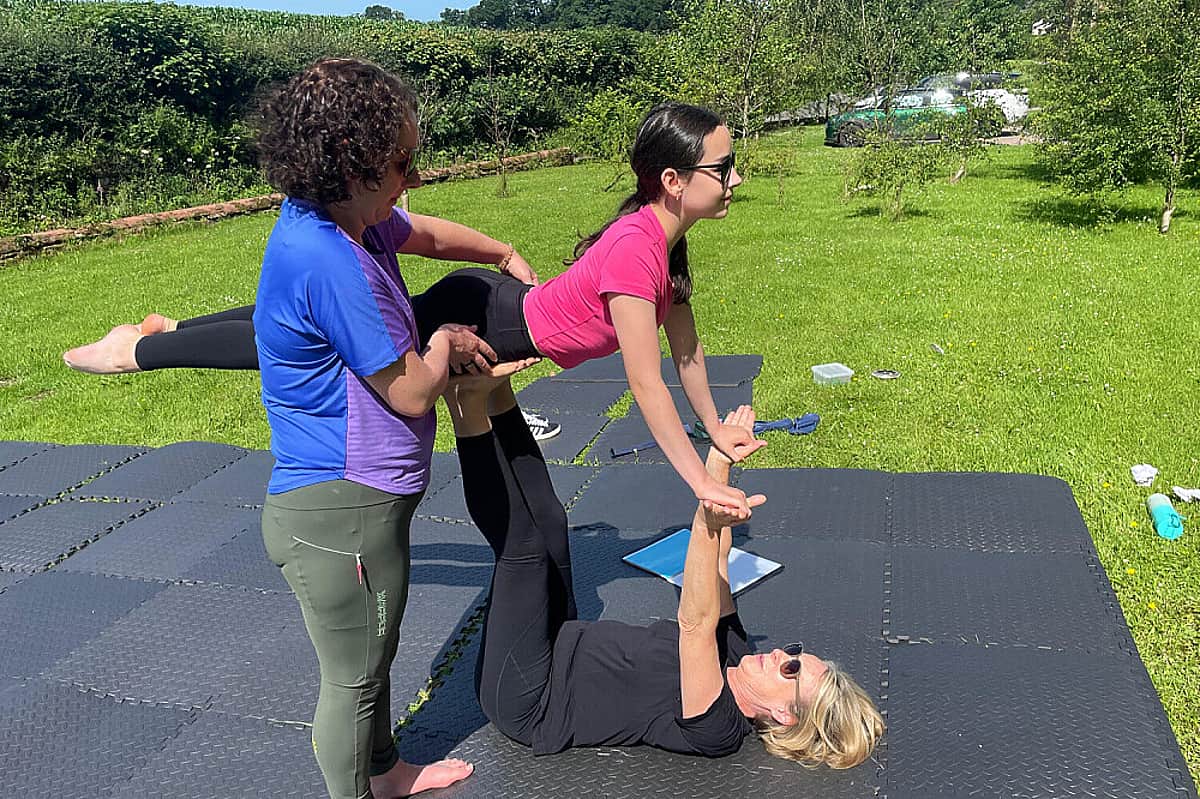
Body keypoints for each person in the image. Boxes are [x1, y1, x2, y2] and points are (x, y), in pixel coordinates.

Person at [64, 102, 761, 513]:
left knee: (310, 330)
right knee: (314, 340)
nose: (736, 178)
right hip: (481, 315)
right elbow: (644, 380)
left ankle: (167, 330)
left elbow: (688, 354)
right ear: (673, 181)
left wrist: (714, 430)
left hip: (494, 309)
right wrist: (699, 477)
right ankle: (139, 350)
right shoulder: (640, 248)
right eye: (724, 168)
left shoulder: (665, 242)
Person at [234, 57, 538, 799]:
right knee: (352, 681)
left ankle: (386, 771)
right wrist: (447, 340)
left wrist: (500, 251)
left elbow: (426, 234)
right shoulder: (325, 257)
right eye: (402, 162)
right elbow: (407, 390)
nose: (413, 176)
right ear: (348, 162)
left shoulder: (346, 217)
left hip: (359, 506)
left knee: (373, 658)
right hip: (338, 513)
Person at [443, 374, 884, 765]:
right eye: (794, 653)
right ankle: (496, 389)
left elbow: (694, 622)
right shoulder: (736, 652)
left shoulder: (720, 726)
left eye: (791, 671)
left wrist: (705, 522)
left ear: (785, 715)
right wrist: (720, 463)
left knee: (525, 549)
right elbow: (716, 568)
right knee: (552, 524)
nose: (780, 656)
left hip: (530, 695)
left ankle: (463, 403)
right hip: (559, 637)